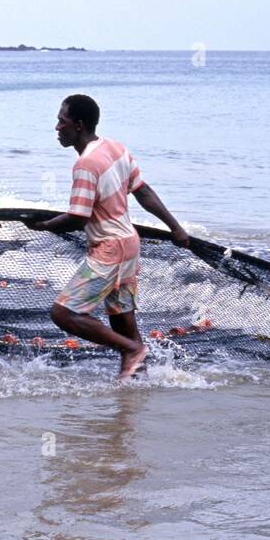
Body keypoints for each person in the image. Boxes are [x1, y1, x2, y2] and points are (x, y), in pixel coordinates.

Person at [29, 94, 191, 379]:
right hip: (129, 246)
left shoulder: (85, 165)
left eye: (61, 121)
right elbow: (142, 191)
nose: (57, 127)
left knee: (63, 314)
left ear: (78, 125)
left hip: (109, 250)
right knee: (123, 324)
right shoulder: (115, 148)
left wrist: (46, 226)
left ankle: (131, 351)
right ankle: (134, 392)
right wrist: (174, 227)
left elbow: (78, 217)